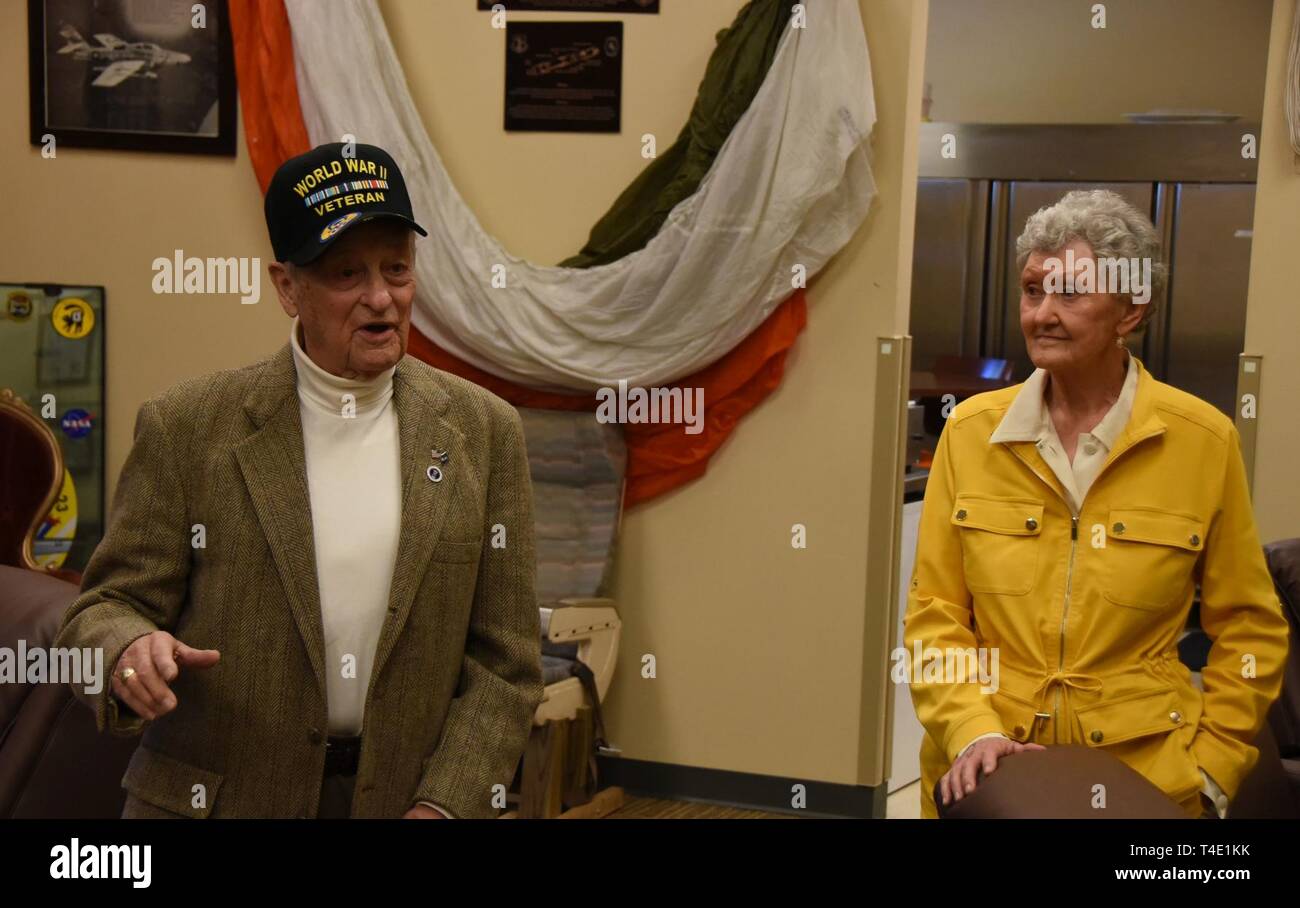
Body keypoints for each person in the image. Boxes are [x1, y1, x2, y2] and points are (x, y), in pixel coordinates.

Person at [55, 142, 544, 818]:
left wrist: (447, 804)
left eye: (396, 269)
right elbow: (99, 612)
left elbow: (507, 663)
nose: (381, 298)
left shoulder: (484, 432)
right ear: (288, 287)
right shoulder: (189, 427)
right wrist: (128, 648)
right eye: (347, 274)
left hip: (402, 801)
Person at [904, 190, 1289, 819]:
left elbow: (1251, 628)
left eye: (1070, 293)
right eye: (1033, 291)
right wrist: (970, 728)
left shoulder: (1204, 441)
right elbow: (935, 615)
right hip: (988, 774)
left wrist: (1215, 768)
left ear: (1130, 311)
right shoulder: (971, 432)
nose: (1043, 315)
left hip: (1146, 781)